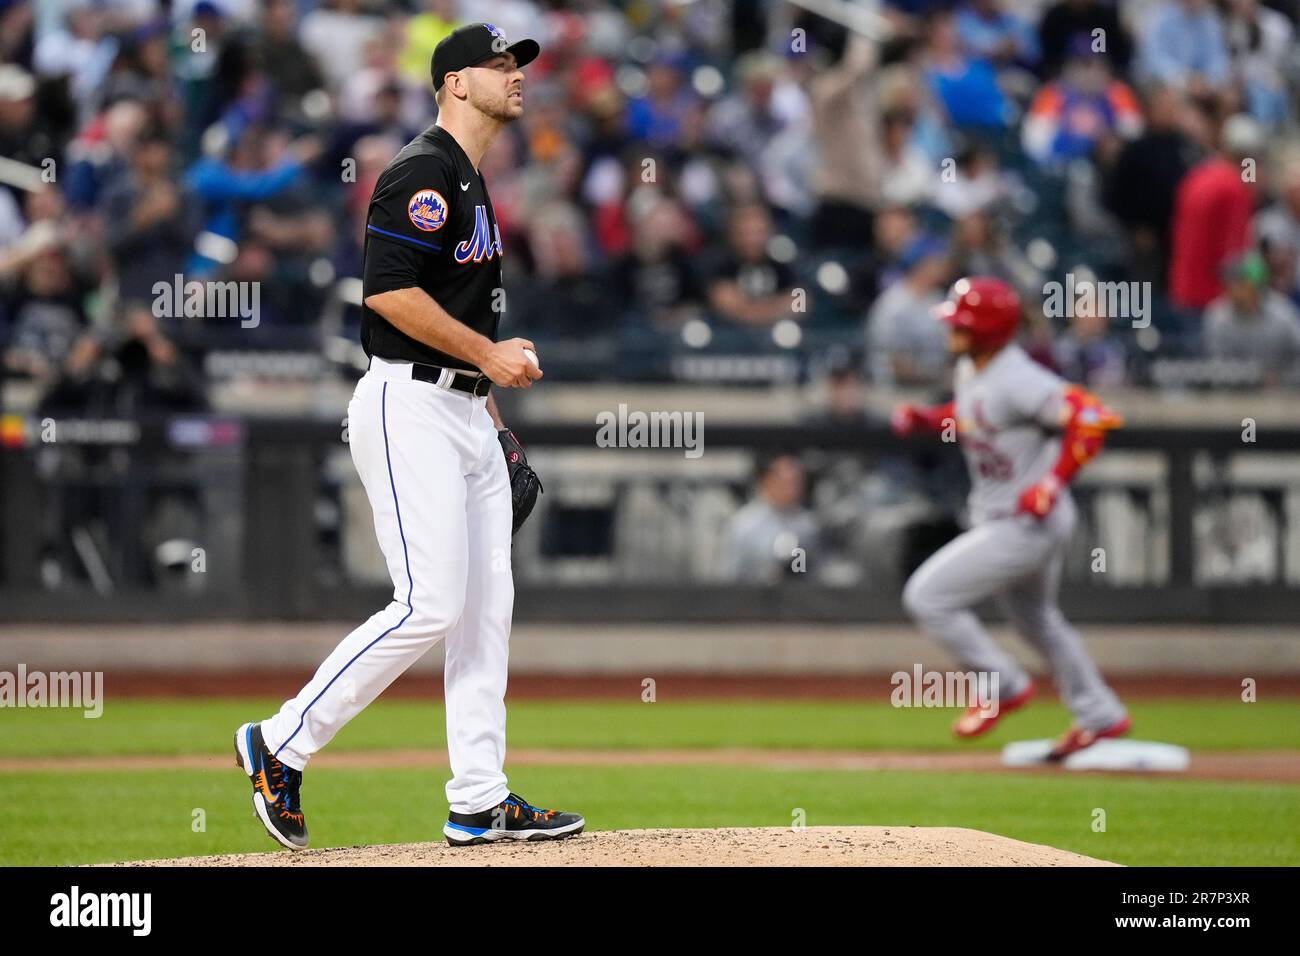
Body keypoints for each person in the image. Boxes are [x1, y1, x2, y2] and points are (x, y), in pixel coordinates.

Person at [233, 23, 584, 851]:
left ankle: (479, 797)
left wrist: (493, 417)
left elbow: (459, 317)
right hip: (408, 407)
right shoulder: (422, 168)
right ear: (456, 82)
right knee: (429, 603)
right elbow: (388, 295)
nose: (515, 76)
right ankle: (279, 741)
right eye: (500, 65)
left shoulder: (472, 179)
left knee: (484, 612)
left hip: (463, 411)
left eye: (518, 64)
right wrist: (491, 359)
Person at [891, 277, 1130, 759]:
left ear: (985, 330)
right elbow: (974, 416)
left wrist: (1052, 481)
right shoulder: (976, 369)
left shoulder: (1017, 375)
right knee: (1038, 621)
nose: (950, 330)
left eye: (959, 323)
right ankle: (1100, 714)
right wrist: (928, 419)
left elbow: (1093, 416)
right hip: (1013, 518)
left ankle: (1001, 686)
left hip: (1023, 522)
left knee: (928, 597)